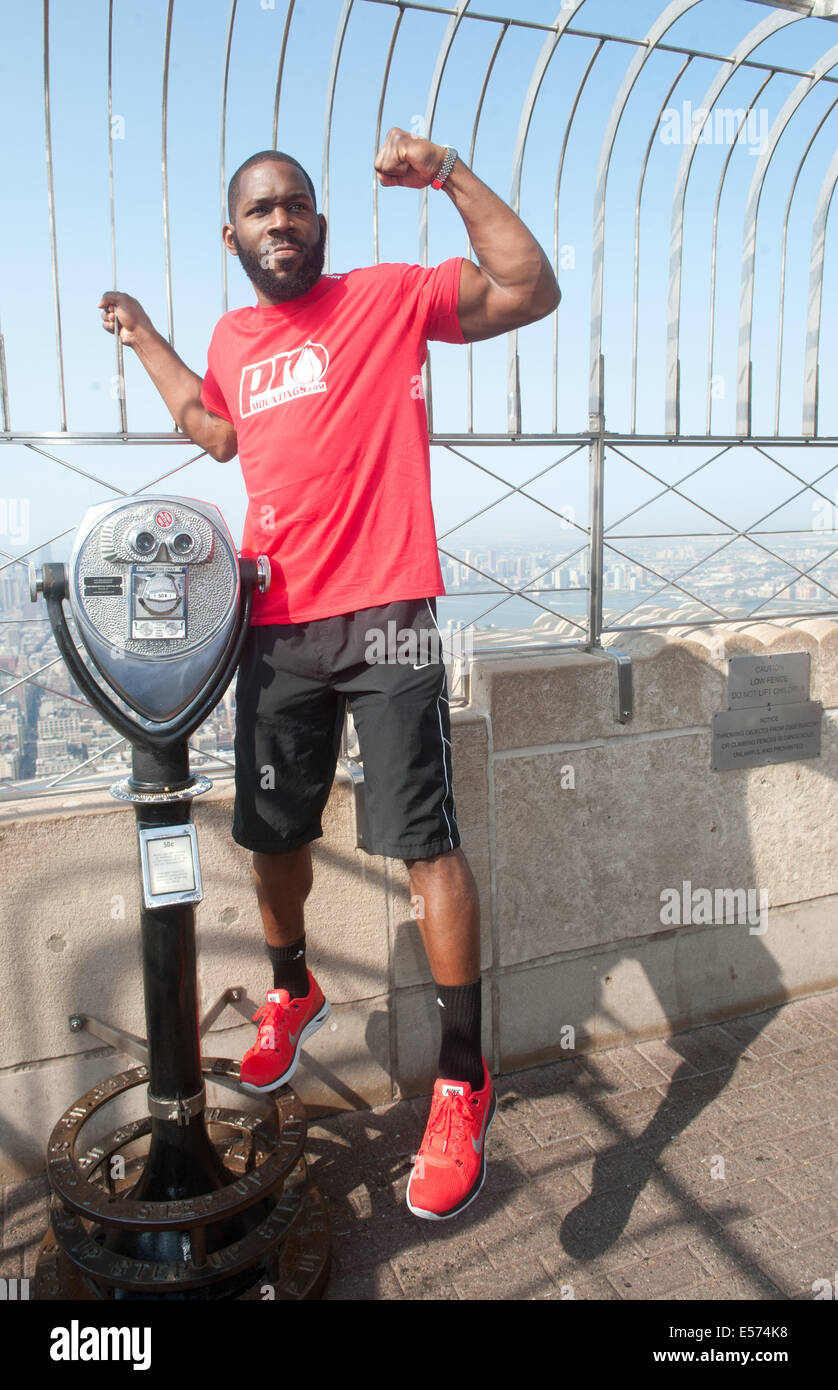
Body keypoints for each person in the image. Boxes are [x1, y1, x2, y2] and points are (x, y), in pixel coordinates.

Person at [98, 128, 559, 1221]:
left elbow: (527, 288)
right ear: (234, 234)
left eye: (295, 205)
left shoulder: (388, 298)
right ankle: (292, 987)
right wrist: (152, 338)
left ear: (321, 222)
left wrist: (446, 174)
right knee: (271, 835)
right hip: (277, 623)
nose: (281, 222)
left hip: (389, 612)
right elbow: (213, 431)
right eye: (261, 210)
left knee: (424, 842)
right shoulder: (235, 334)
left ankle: (461, 1077)